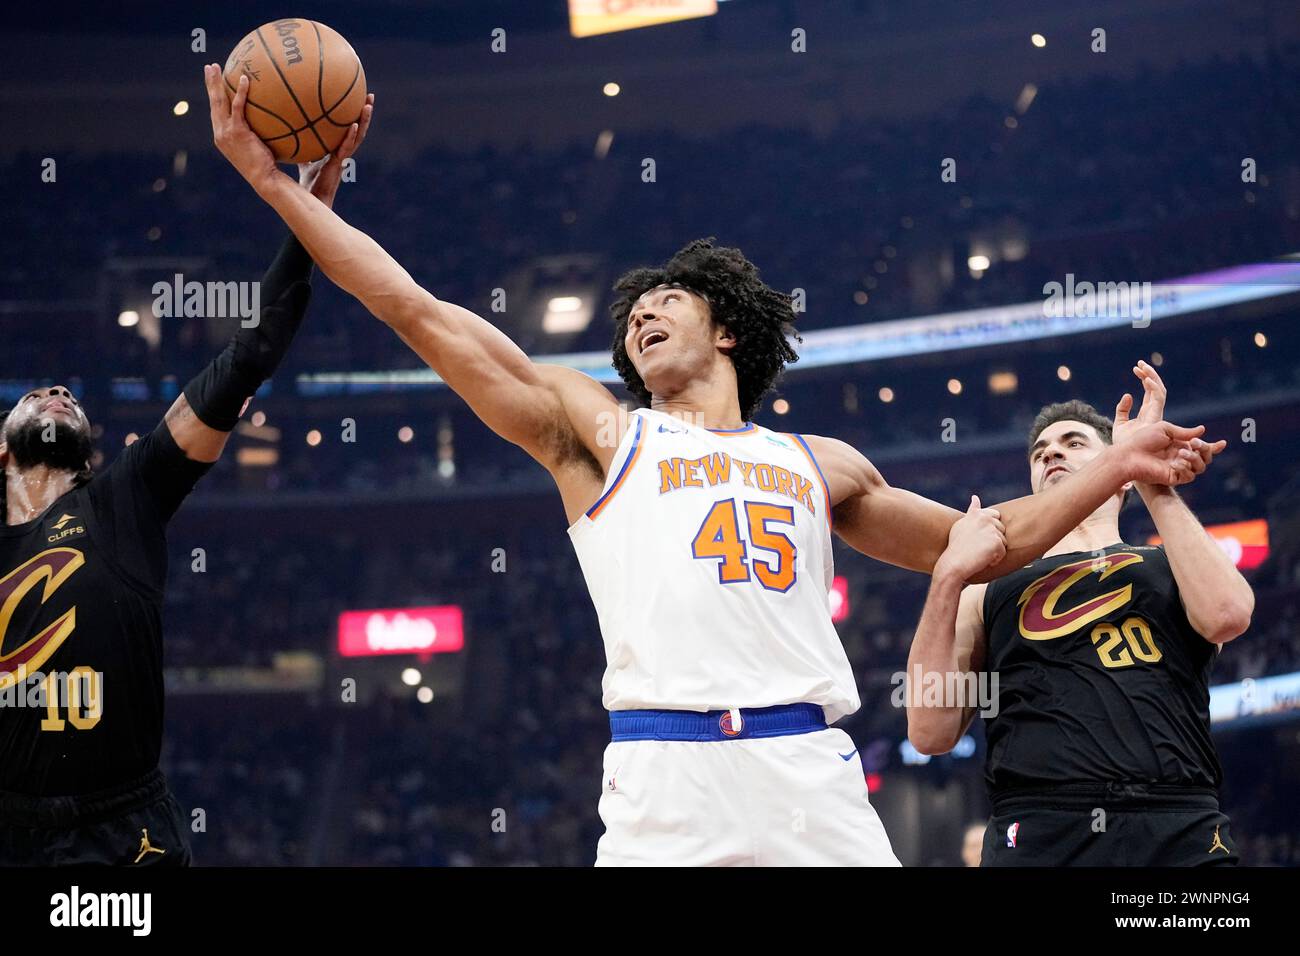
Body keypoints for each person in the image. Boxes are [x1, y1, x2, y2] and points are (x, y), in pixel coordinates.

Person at [206, 66, 1216, 865]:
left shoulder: (818, 461)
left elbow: (984, 539)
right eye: (629, 312)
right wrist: (274, 191)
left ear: (725, 327)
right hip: (663, 770)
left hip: (807, 769)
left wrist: (1118, 462)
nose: (639, 312)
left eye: (662, 301)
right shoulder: (598, 433)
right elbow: (416, 309)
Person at [0, 107, 369, 865]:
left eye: (70, 396)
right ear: (0, 451)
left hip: (121, 833)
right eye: (37, 394)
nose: (58, 392)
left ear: (93, 452)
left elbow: (247, 355)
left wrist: (298, 207)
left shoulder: (122, 498)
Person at [906, 362, 1249, 866]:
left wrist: (1151, 478)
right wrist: (947, 578)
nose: (1052, 455)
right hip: (1040, 828)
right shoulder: (987, 586)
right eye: (1041, 453)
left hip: (1176, 823)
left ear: (1119, 475)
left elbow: (1227, 615)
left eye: (1073, 443)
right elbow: (930, 731)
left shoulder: (1168, 560)